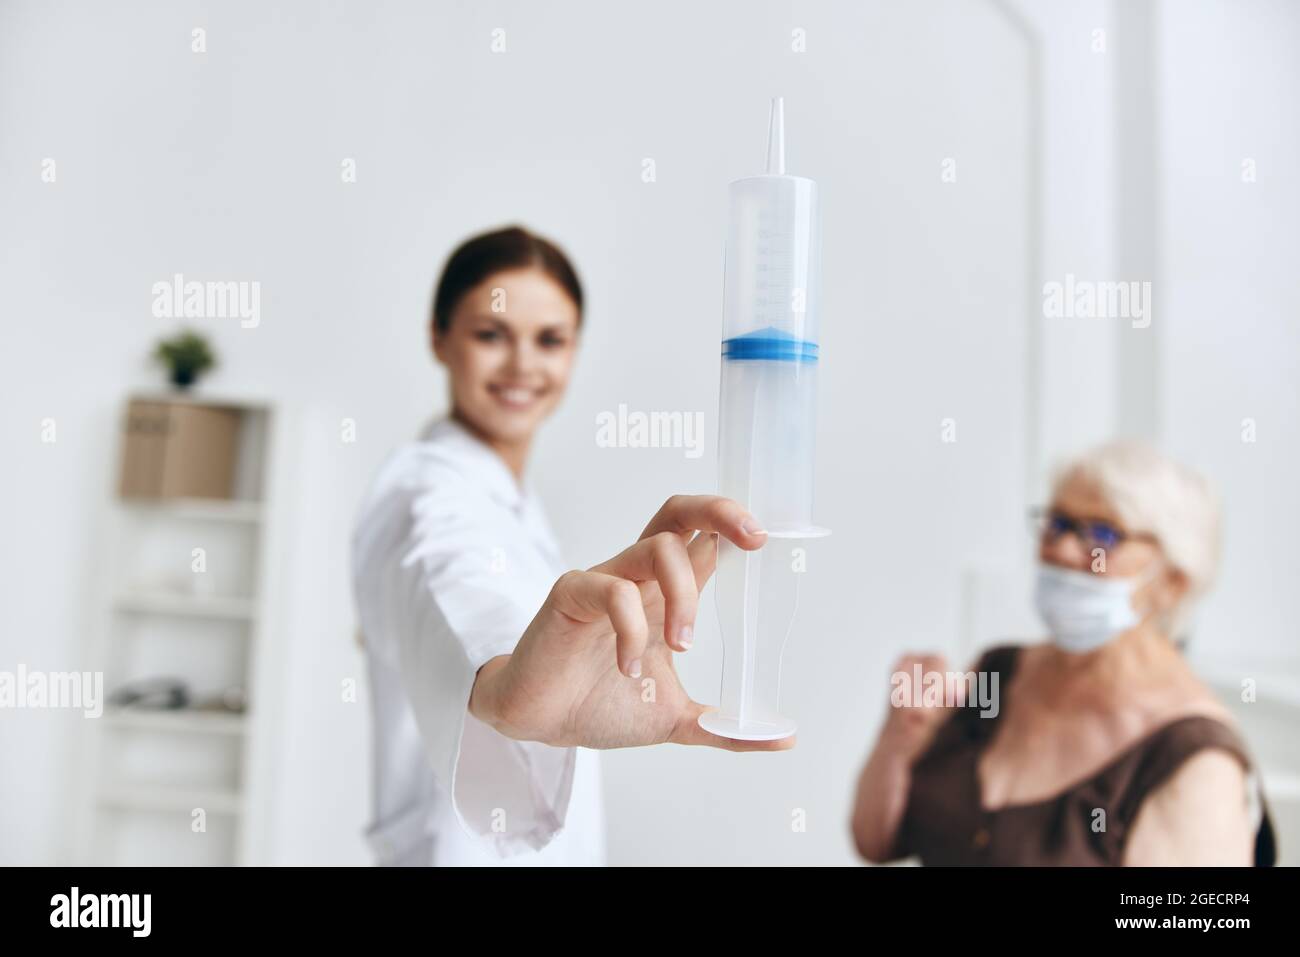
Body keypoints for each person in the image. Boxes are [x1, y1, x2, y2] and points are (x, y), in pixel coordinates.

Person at [352, 225, 787, 866]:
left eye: (549, 340)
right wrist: (508, 687)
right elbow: (456, 586)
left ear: (575, 351)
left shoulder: (517, 511)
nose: (523, 365)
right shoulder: (425, 499)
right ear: (439, 337)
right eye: (490, 334)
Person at [850, 441, 1277, 866]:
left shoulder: (1196, 760)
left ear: (1173, 582)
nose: (1062, 549)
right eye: (1058, 523)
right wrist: (901, 733)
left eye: (1102, 535)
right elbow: (877, 843)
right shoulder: (997, 672)